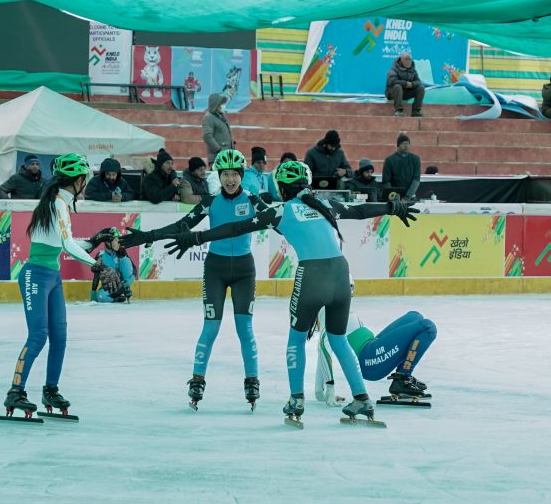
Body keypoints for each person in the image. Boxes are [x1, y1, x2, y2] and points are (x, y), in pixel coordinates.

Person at [158, 160, 418, 425]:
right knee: (339, 340)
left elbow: (236, 228)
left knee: (296, 340)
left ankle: (296, 400)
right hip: (341, 275)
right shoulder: (327, 205)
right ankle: (362, 398)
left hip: (312, 278)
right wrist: (392, 207)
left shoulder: (281, 211)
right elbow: (361, 210)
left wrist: (198, 238)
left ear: (282, 188)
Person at [121, 150, 272, 410]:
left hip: (245, 270)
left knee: (244, 330)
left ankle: (252, 380)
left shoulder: (254, 200)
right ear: (219, 176)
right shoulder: (210, 201)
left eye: (235, 174)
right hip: (216, 268)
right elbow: (182, 226)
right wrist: (148, 236)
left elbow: (275, 220)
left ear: (242, 175)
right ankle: (197, 379)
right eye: (225, 174)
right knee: (210, 328)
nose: (230, 179)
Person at [1, 153, 112, 420]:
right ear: (79, 180)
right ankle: (15, 391)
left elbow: (66, 241)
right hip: (36, 275)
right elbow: (66, 245)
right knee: (38, 336)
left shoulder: (59, 201)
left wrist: (95, 240)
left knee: (59, 337)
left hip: (52, 276)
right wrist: (95, 264)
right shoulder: (57, 203)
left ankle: (50, 389)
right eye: (85, 180)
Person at [314, 279, 437, 406]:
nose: (351, 294)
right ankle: (403, 377)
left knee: (414, 316)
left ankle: (402, 377)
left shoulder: (337, 307)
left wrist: (319, 393)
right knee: (428, 327)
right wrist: (330, 388)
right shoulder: (327, 311)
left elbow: (321, 353)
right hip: (369, 360)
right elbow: (323, 346)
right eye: (348, 289)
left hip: (373, 347)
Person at [90, 228, 135, 303]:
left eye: (119, 240)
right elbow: (96, 275)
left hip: (122, 287)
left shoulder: (121, 251)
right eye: (116, 240)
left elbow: (133, 268)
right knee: (101, 297)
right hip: (108, 289)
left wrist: (128, 283)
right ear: (108, 242)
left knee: (125, 259)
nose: (119, 242)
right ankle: (117, 298)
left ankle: (123, 293)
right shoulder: (100, 255)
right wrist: (93, 292)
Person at [381, 133, 421, 200]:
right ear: (398, 145)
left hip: (410, 196)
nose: (406, 146)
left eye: (408, 143)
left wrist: (407, 197)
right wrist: (393, 196)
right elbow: (386, 181)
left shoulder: (415, 159)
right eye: (403, 143)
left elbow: (416, 180)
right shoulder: (390, 160)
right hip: (394, 196)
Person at [385, 52, 425, 117]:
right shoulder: (394, 69)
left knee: (421, 87)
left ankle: (416, 111)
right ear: (401, 60)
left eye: (409, 59)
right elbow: (392, 81)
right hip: (393, 93)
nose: (408, 61)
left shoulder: (413, 70)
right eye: (406, 59)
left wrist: (412, 84)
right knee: (397, 86)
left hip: (405, 93)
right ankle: (399, 110)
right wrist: (405, 84)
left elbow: (418, 82)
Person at [202, 93, 233, 164]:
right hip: (217, 158)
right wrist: (219, 150)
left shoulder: (221, 118)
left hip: (227, 157)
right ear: (215, 105)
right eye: (221, 103)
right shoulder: (209, 118)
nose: (223, 106)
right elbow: (207, 136)